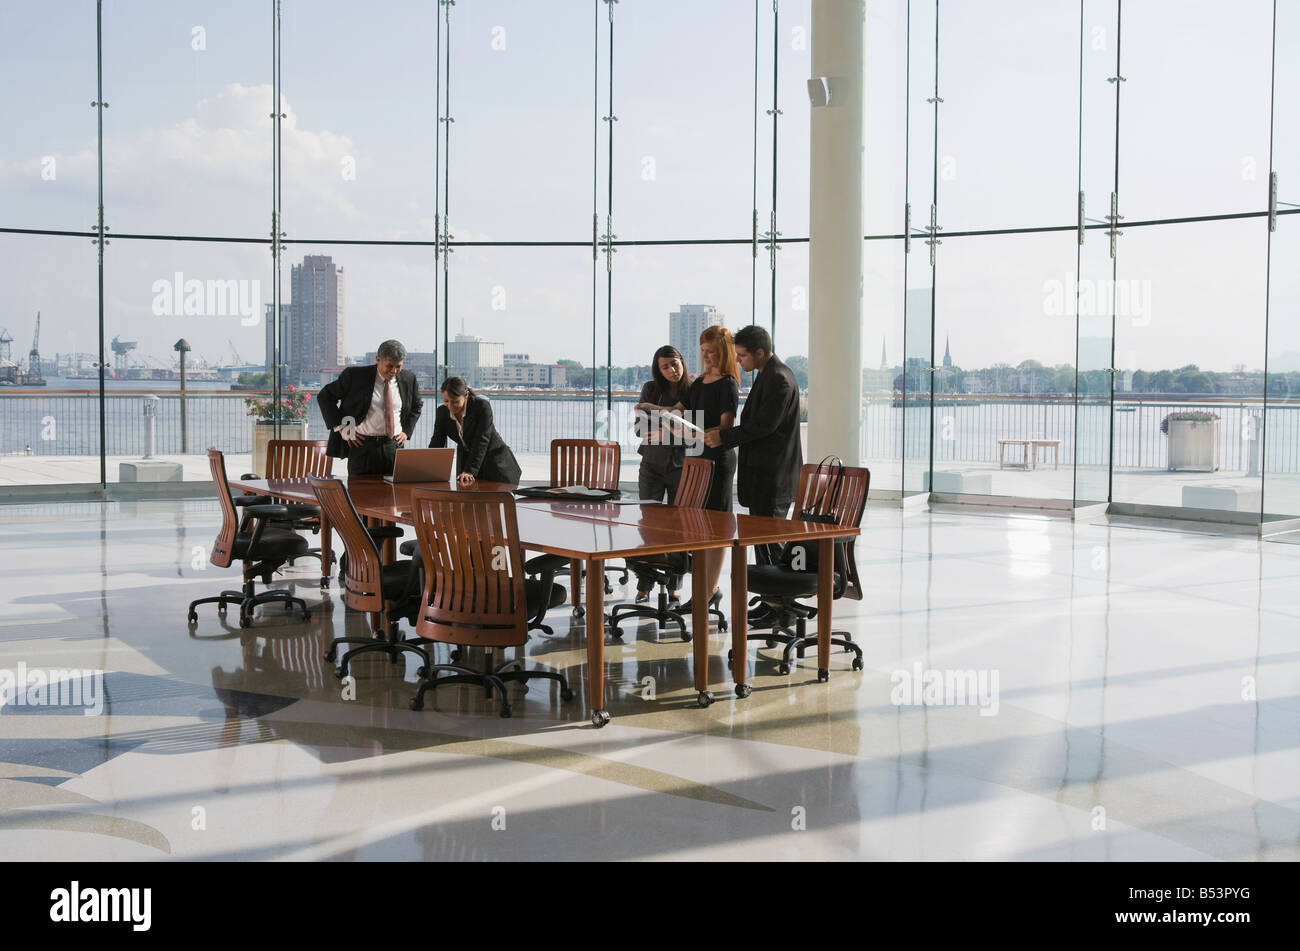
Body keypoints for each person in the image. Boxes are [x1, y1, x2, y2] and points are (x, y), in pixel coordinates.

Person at [706, 325, 802, 620]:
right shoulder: (768, 375)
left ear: (760, 352)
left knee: (771, 542)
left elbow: (763, 426)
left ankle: (783, 607)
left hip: (774, 477)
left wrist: (724, 437)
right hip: (765, 476)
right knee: (763, 542)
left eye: (743, 355)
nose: (738, 361)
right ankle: (773, 600)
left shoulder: (779, 379)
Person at [676, 325, 739, 613]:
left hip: (718, 459)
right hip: (698, 457)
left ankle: (709, 590)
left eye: (711, 351)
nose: (706, 356)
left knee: (716, 528)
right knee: (698, 527)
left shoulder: (727, 385)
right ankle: (701, 592)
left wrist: (694, 433)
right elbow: (682, 410)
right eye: (702, 351)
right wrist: (659, 414)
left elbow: (723, 429)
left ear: (723, 352)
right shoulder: (699, 383)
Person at [630, 345, 693, 602]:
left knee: (678, 527)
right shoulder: (651, 388)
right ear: (659, 369)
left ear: (682, 362)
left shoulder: (692, 390)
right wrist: (671, 425)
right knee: (649, 524)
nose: (671, 370)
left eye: (674, 364)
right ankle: (644, 582)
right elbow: (640, 429)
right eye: (665, 366)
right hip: (651, 465)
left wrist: (661, 424)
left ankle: (674, 582)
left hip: (680, 466)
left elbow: (692, 432)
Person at [317, 339, 423, 476]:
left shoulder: (409, 379)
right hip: (362, 447)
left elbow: (416, 406)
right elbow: (325, 396)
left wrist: (406, 431)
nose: (394, 371)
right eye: (389, 366)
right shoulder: (355, 376)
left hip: (394, 447)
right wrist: (343, 428)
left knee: (394, 495)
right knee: (359, 495)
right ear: (378, 359)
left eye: (399, 366)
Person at [429, 376, 522, 486]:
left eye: (455, 401)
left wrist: (469, 471)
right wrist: (428, 469)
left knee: (494, 500)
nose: (450, 406)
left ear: (466, 395)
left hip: (495, 463)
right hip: (468, 465)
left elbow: (481, 440)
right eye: (446, 401)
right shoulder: (442, 412)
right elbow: (437, 441)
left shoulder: (481, 406)